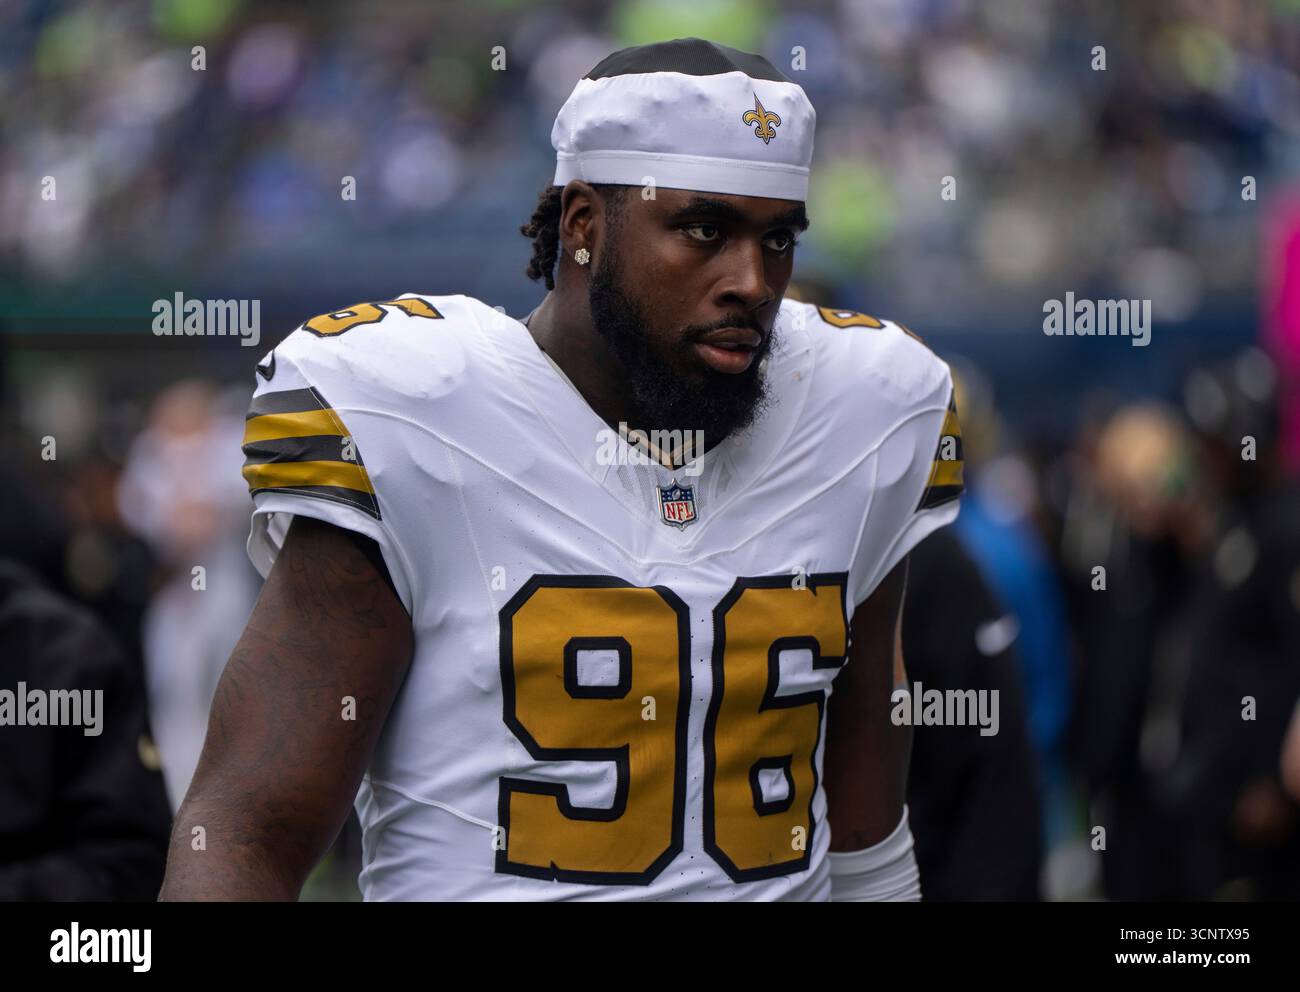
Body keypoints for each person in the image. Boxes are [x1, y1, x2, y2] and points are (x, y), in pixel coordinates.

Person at [160, 38, 963, 901]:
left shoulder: (860, 406)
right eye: (704, 229)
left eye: (777, 239)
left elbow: (867, 847)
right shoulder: (416, 413)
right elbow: (247, 831)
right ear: (583, 225)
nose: (753, 281)